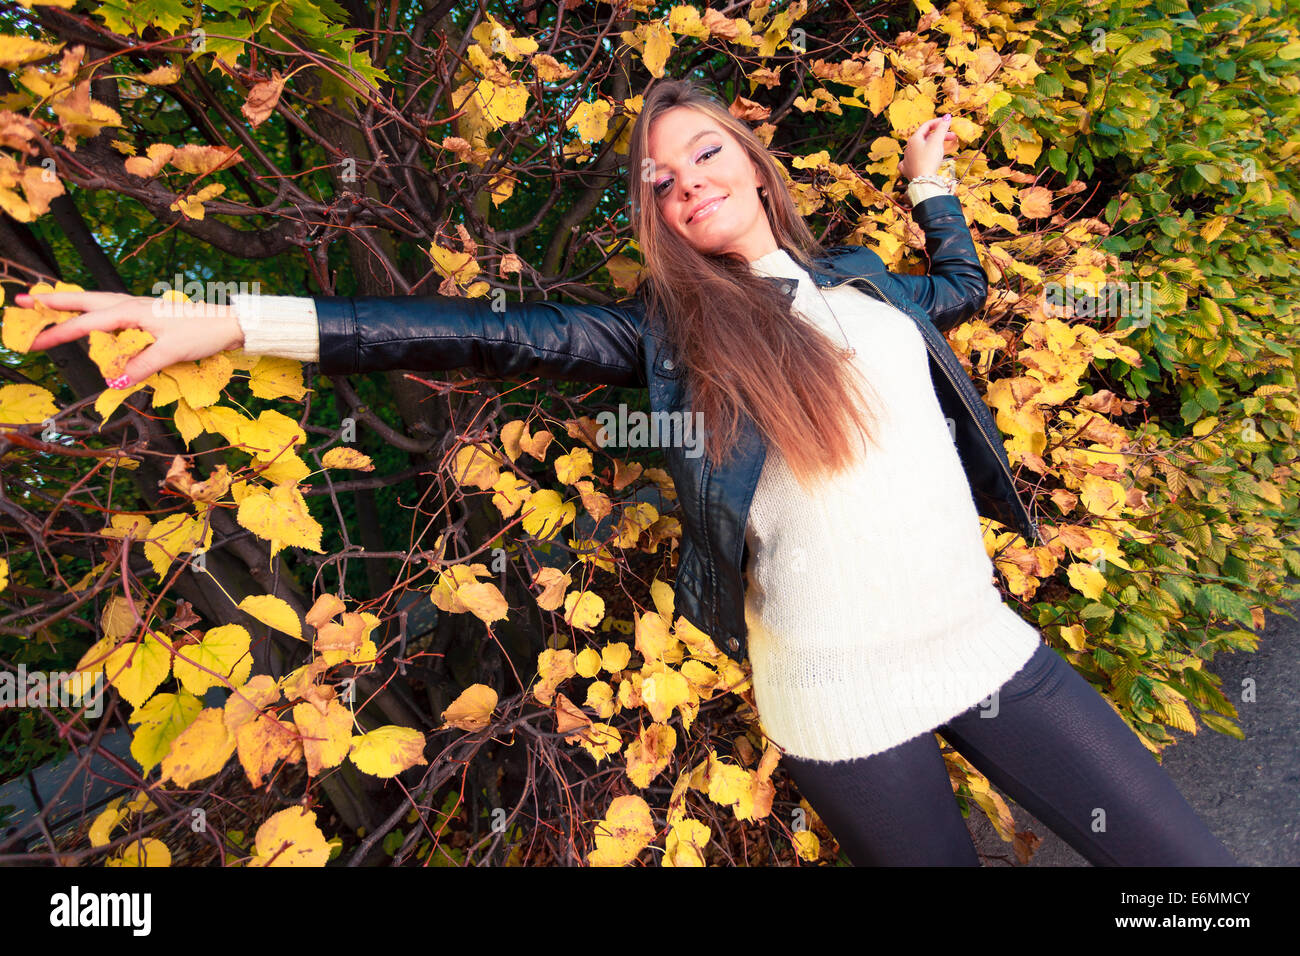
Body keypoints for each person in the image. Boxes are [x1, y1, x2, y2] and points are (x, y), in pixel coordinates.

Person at [19, 79, 1237, 867]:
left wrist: (932, 186)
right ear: (660, 215)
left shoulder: (868, 281)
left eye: (704, 151)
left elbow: (961, 290)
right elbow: (475, 333)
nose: (688, 177)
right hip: (842, 703)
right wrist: (232, 318)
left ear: (753, 162)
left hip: (985, 647)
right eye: (660, 179)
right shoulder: (667, 335)